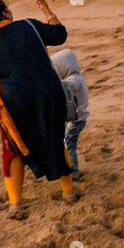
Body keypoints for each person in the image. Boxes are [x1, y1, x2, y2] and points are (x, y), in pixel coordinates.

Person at [0, 0, 79, 220]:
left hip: (14, 102)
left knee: (13, 149)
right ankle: (68, 193)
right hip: (48, 93)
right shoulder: (28, 25)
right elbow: (60, 34)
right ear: (5, 14)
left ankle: (15, 204)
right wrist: (48, 11)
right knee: (54, 138)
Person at [50, 49, 89, 180]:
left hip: (77, 120)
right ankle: (69, 166)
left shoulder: (74, 79)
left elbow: (70, 85)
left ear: (65, 66)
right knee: (65, 141)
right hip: (73, 118)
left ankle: (74, 171)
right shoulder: (74, 76)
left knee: (68, 143)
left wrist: (55, 83)